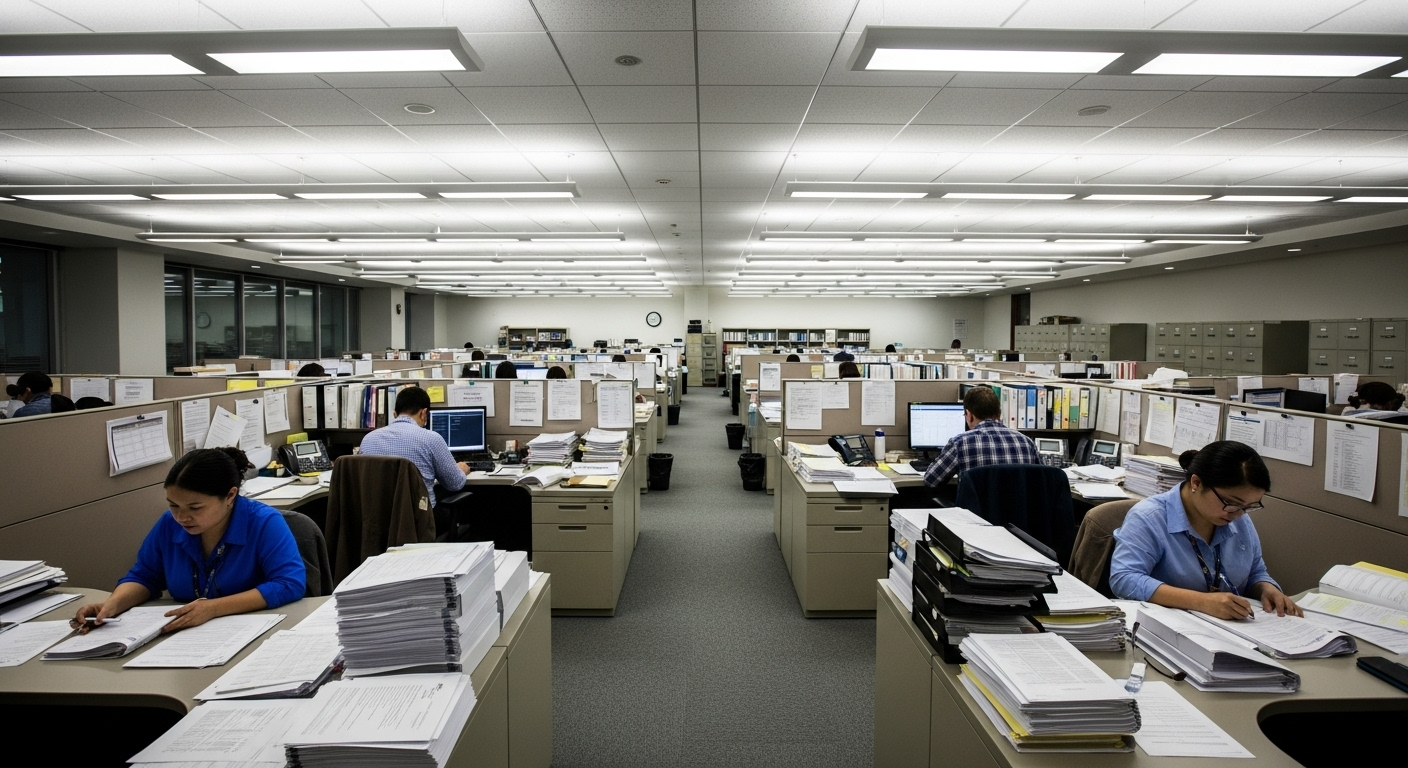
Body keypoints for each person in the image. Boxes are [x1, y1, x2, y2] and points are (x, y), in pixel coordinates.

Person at [71, 447, 305, 634]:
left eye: (195, 507)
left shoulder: (264, 523)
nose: (182, 517)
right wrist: (113, 604)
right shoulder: (169, 524)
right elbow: (145, 576)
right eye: (174, 505)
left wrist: (213, 608)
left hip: (253, 632)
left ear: (230, 496)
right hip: (184, 636)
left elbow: (289, 583)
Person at [1110, 441, 1300, 619]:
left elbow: (1255, 572)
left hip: (1232, 630)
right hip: (1166, 629)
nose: (1239, 514)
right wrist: (1201, 601)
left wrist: (1267, 589)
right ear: (1196, 483)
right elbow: (1124, 579)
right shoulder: (1150, 517)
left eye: (1250, 506)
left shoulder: (1239, 519)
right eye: (1231, 503)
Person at [359, 387, 468, 509]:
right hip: (419, 520)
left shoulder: (368, 439)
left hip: (377, 520)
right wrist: (461, 470)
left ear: (395, 414)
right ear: (423, 413)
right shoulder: (431, 438)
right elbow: (454, 483)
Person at [923, 385, 1040, 487]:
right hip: (1019, 511)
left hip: (973, 512)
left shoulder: (960, 443)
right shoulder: (1027, 442)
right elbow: (1043, 480)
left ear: (969, 415)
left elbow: (931, 480)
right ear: (999, 413)